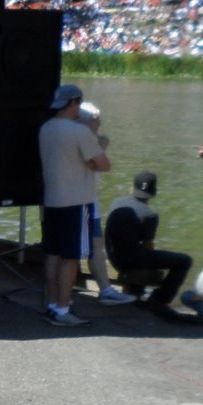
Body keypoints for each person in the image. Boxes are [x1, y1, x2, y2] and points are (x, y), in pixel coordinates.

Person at [39, 84, 111, 327]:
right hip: (77, 203)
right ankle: (62, 309)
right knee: (71, 258)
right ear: (73, 104)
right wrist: (98, 141)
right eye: (77, 104)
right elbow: (103, 164)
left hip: (52, 200)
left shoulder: (46, 128)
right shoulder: (79, 133)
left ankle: (50, 304)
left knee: (53, 254)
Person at [105, 171, 191, 314]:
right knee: (184, 261)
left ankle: (135, 294)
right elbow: (148, 246)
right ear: (153, 192)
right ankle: (160, 299)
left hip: (113, 256)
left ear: (132, 188)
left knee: (138, 254)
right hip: (129, 261)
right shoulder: (149, 214)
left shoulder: (117, 202)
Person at [77, 102, 133, 306]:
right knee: (81, 248)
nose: (99, 123)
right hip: (79, 201)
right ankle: (101, 290)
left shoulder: (93, 139)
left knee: (96, 245)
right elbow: (97, 166)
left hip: (91, 201)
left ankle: (105, 289)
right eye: (94, 119)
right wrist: (102, 146)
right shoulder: (82, 140)